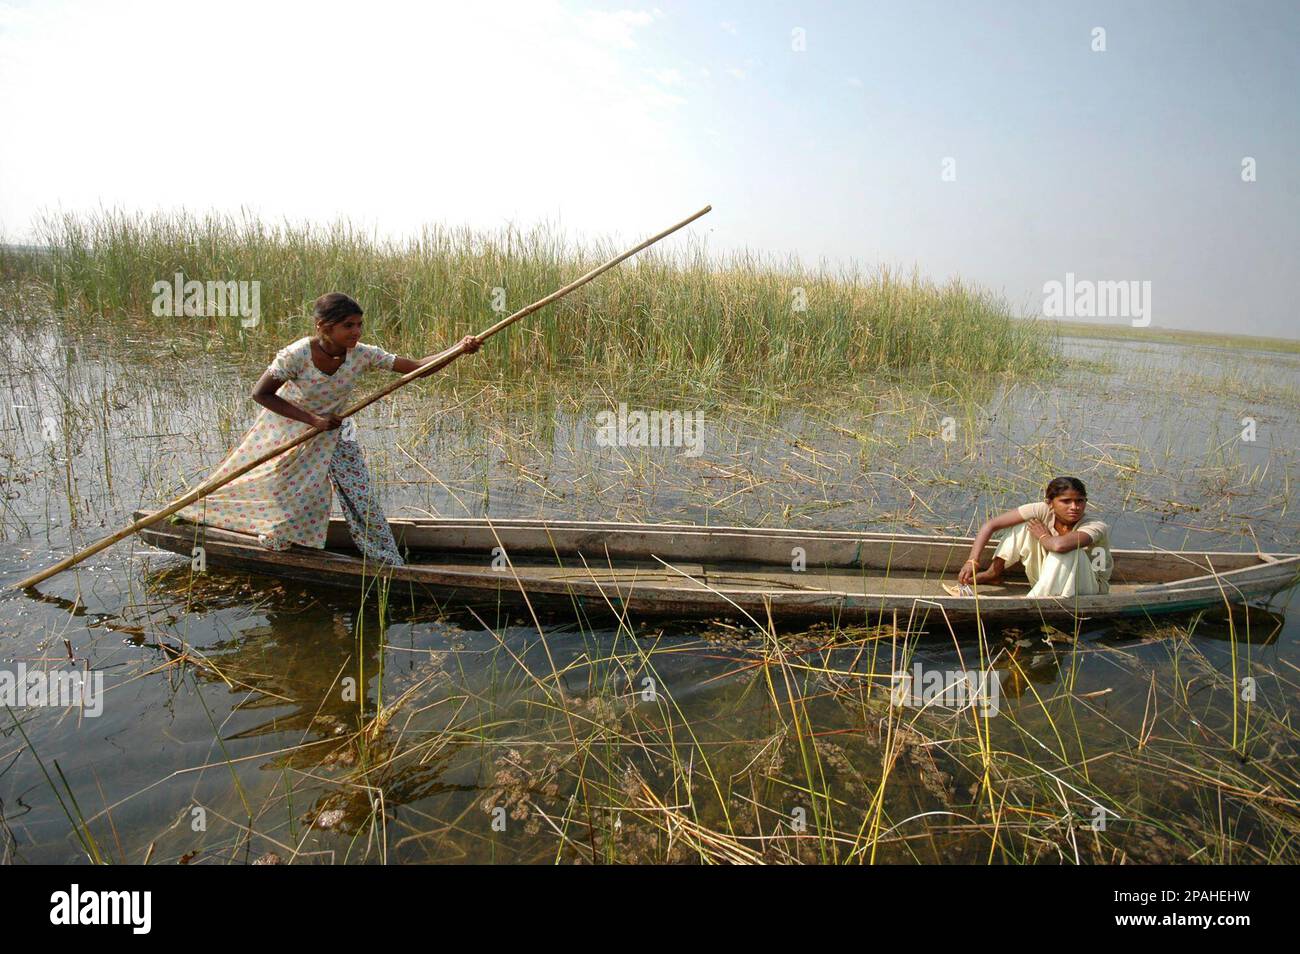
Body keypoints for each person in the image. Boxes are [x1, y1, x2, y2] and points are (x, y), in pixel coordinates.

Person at [179, 292, 480, 566]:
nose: (356, 332)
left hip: (337, 429)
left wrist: (459, 349)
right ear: (323, 326)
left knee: (360, 494)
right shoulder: (296, 355)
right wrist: (313, 420)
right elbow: (261, 393)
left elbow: (417, 368)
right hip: (294, 428)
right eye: (348, 326)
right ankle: (277, 543)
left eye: (359, 324)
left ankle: (385, 560)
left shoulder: (362, 353)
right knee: (291, 492)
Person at [952, 476, 1112, 598]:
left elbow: (1059, 546)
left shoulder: (1095, 525)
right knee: (1024, 527)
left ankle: (1032, 601)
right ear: (1050, 503)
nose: (1074, 507)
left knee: (1069, 549)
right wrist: (972, 561)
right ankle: (993, 573)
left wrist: (1043, 535)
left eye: (1080, 501)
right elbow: (991, 525)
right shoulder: (1042, 510)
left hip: (1090, 588)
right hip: (1049, 579)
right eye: (1066, 501)